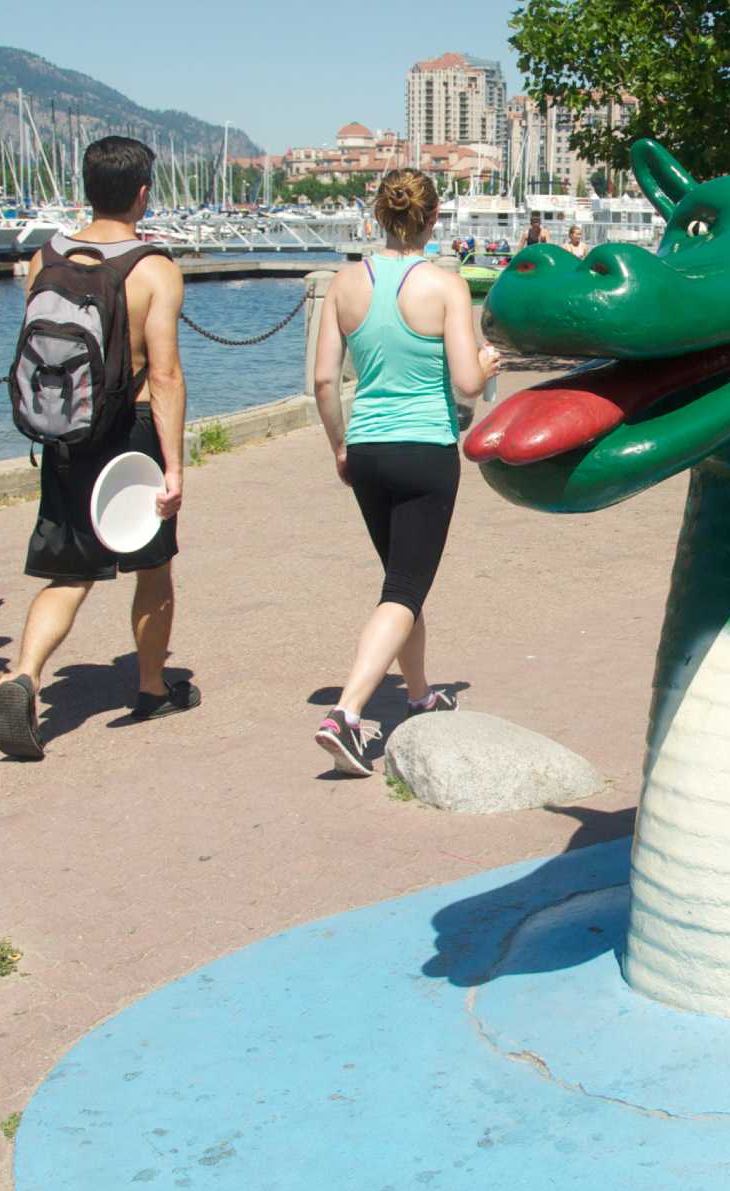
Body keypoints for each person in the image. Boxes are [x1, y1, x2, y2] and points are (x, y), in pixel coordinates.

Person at [0, 136, 194, 761]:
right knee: (153, 566)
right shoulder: (153, 269)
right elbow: (162, 375)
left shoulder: (44, 257)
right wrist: (175, 466)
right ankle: (152, 685)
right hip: (128, 434)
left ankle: (24, 673)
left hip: (63, 431)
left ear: (85, 186)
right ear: (142, 193)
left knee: (68, 571)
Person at [310, 168, 497, 775]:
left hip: (367, 449)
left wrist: (340, 445)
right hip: (425, 450)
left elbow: (323, 381)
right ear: (433, 218)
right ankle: (346, 713)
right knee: (404, 589)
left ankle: (417, 694)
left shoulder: (343, 283)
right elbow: (468, 383)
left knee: (402, 579)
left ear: (377, 215)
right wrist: (489, 362)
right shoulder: (446, 287)